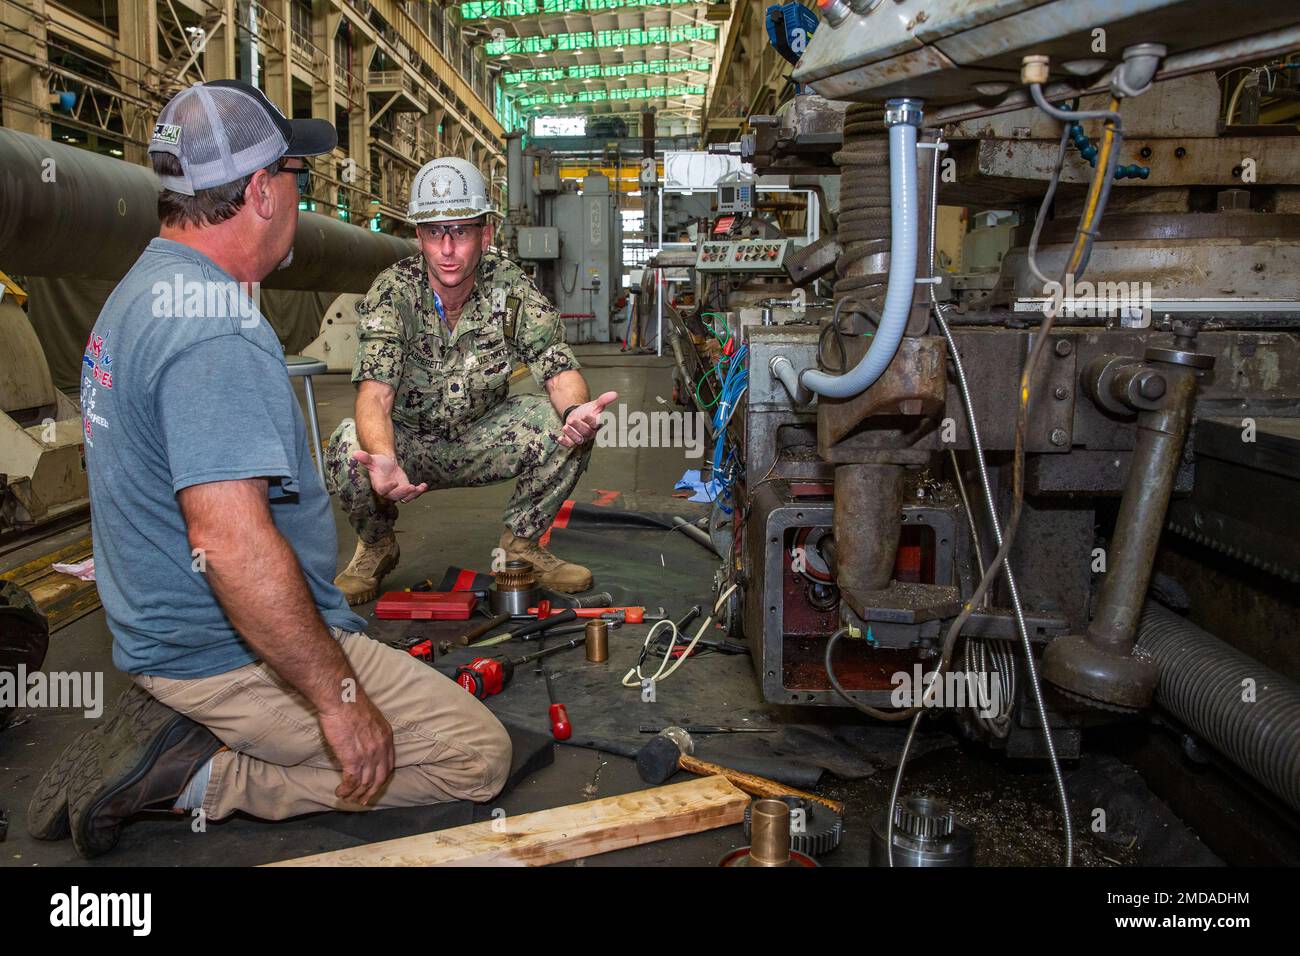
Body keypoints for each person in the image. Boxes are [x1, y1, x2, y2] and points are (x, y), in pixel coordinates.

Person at [27, 81, 510, 858]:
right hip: (224, 656)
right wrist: (335, 699)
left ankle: (187, 726)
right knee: (474, 757)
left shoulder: (140, 291)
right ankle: (197, 776)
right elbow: (230, 546)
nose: (297, 195)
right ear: (259, 190)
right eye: (294, 174)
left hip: (167, 638)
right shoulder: (216, 332)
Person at [325, 158, 617, 605]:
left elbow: (556, 365)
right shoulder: (392, 291)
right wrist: (384, 456)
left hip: (485, 434)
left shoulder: (509, 286)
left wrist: (577, 411)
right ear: (418, 236)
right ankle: (378, 546)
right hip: (410, 444)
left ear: (485, 234)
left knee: (567, 425)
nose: (446, 248)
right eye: (433, 232)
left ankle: (521, 546)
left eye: (460, 231)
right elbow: (375, 394)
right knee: (349, 446)